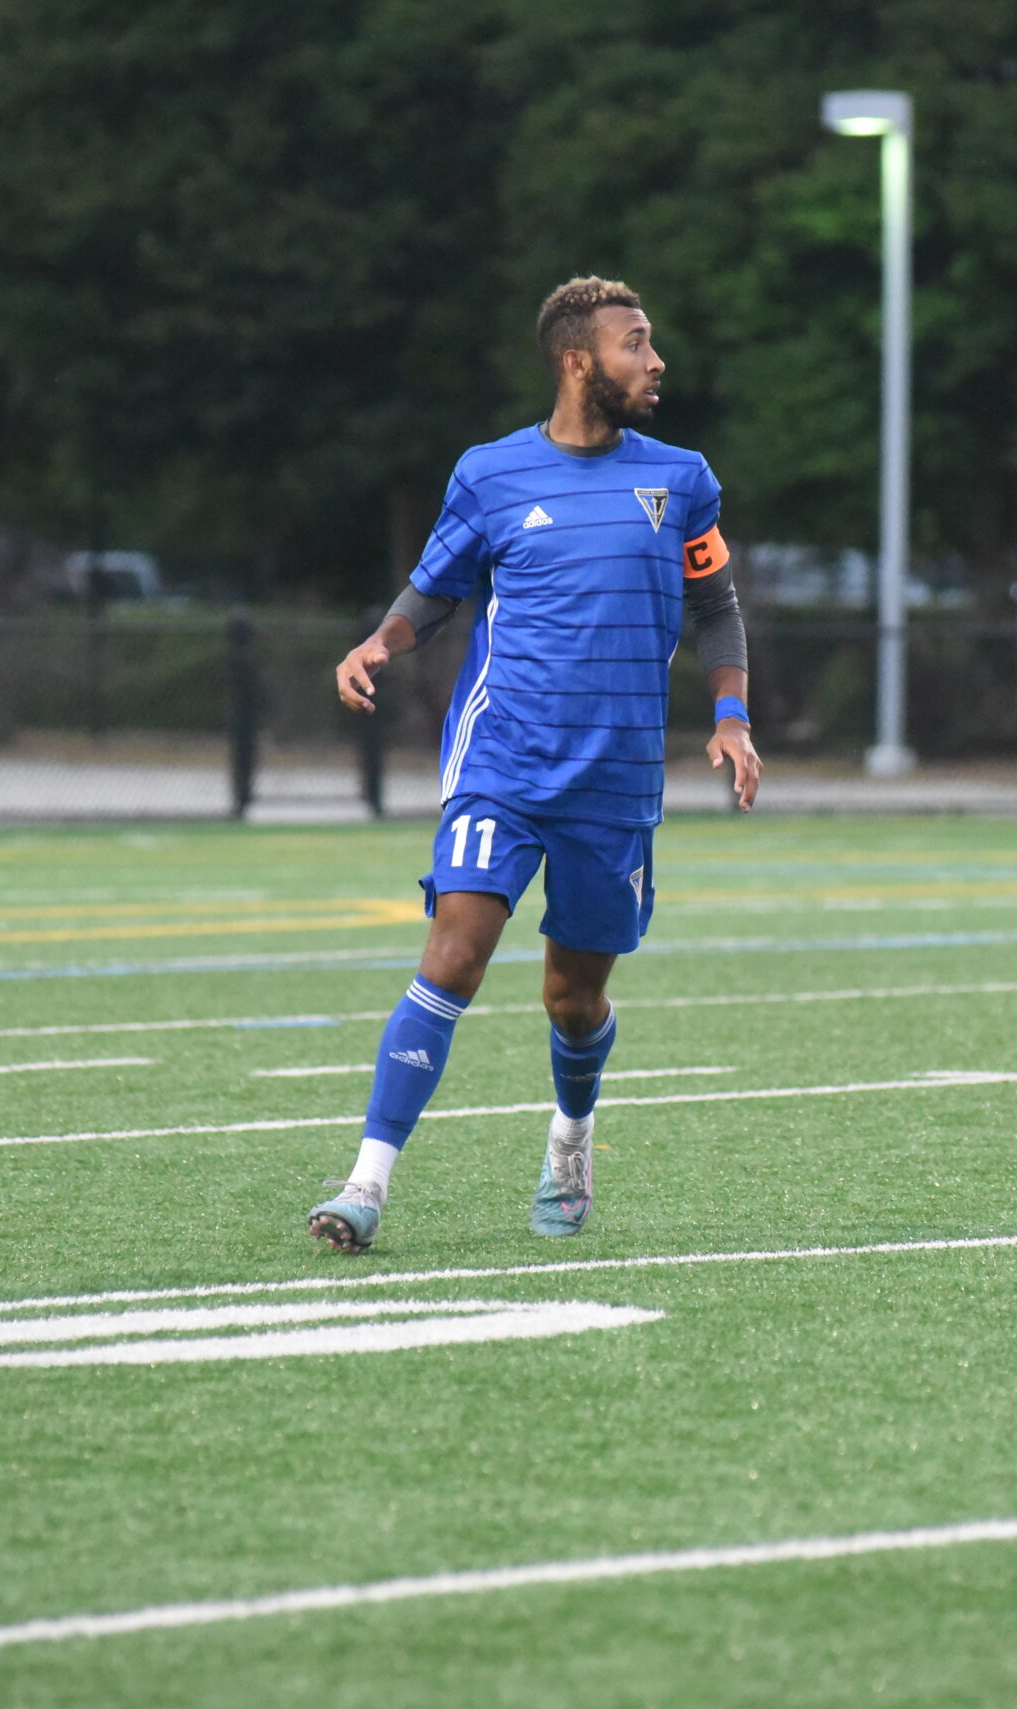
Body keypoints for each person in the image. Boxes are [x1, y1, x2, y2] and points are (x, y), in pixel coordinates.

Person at [308, 275, 760, 1253]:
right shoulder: (490, 473)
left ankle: (570, 1138)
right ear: (577, 360)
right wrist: (378, 644)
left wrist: (730, 715)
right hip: (502, 760)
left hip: (616, 778)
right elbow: (432, 590)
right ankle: (365, 1184)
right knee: (453, 952)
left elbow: (715, 605)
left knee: (573, 995)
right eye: (635, 343)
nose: (655, 361)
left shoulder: (679, 478)